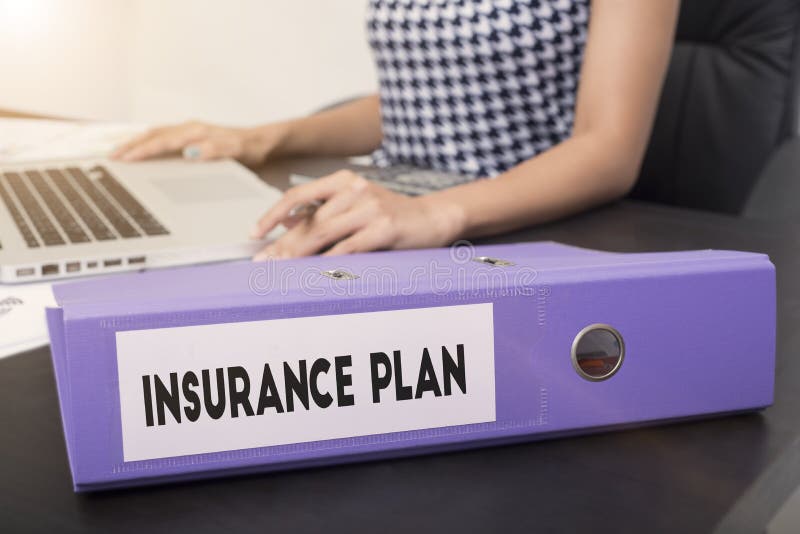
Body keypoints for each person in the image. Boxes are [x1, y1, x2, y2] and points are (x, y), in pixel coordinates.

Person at [112, 0, 680, 260]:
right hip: (397, 212)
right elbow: (423, 94)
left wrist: (436, 214)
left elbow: (608, 149)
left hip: (522, 231)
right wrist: (265, 137)